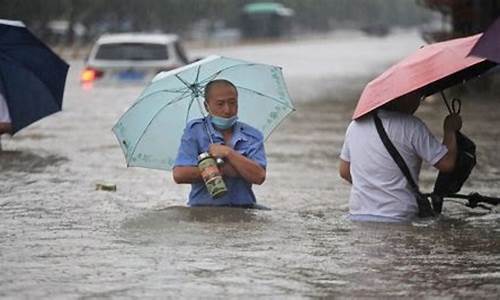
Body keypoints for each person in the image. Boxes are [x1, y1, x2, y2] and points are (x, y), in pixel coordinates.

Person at [339, 92, 462, 222]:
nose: (418, 102)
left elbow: (344, 171)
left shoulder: (355, 126)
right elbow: (446, 163)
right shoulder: (412, 126)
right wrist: (450, 130)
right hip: (399, 217)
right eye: (418, 96)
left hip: (358, 216)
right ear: (405, 97)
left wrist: (374, 186)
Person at [172, 79, 267, 207]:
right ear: (206, 106)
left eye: (232, 103)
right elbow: (179, 174)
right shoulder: (195, 130)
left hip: (243, 209)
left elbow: (259, 176)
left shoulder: (252, 135)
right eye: (220, 104)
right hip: (203, 210)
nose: (227, 110)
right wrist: (217, 170)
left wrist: (228, 153)